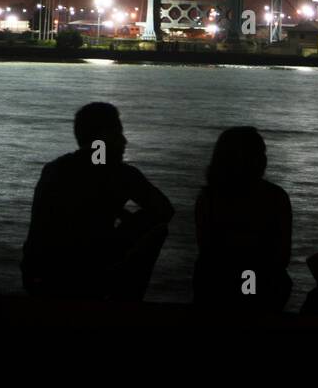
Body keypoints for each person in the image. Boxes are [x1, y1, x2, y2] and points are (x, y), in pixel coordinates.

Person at [22, 102, 173, 301]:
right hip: (87, 276)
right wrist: (126, 227)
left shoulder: (54, 169)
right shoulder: (118, 173)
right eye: (118, 133)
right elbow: (164, 210)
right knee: (159, 231)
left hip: (39, 276)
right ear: (103, 137)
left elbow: (88, 192)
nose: (124, 141)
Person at [192, 126, 292, 312]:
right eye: (258, 153)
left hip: (215, 282)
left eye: (263, 153)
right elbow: (282, 255)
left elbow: (206, 247)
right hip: (252, 281)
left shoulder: (208, 197)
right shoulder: (275, 197)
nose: (264, 159)